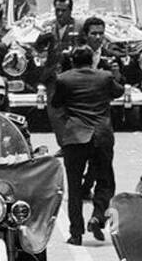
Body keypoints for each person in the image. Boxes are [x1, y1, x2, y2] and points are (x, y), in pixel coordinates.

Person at [48, 45, 123, 245]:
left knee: (74, 187)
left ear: (73, 61)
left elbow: (56, 103)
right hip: (101, 135)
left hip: (75, 136)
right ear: (92, 60)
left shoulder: (64, 79)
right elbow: (119, 92)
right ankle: (97, 216)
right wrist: (117, 75)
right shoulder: (105, 77)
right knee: (105, 181)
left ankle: (76, 233)